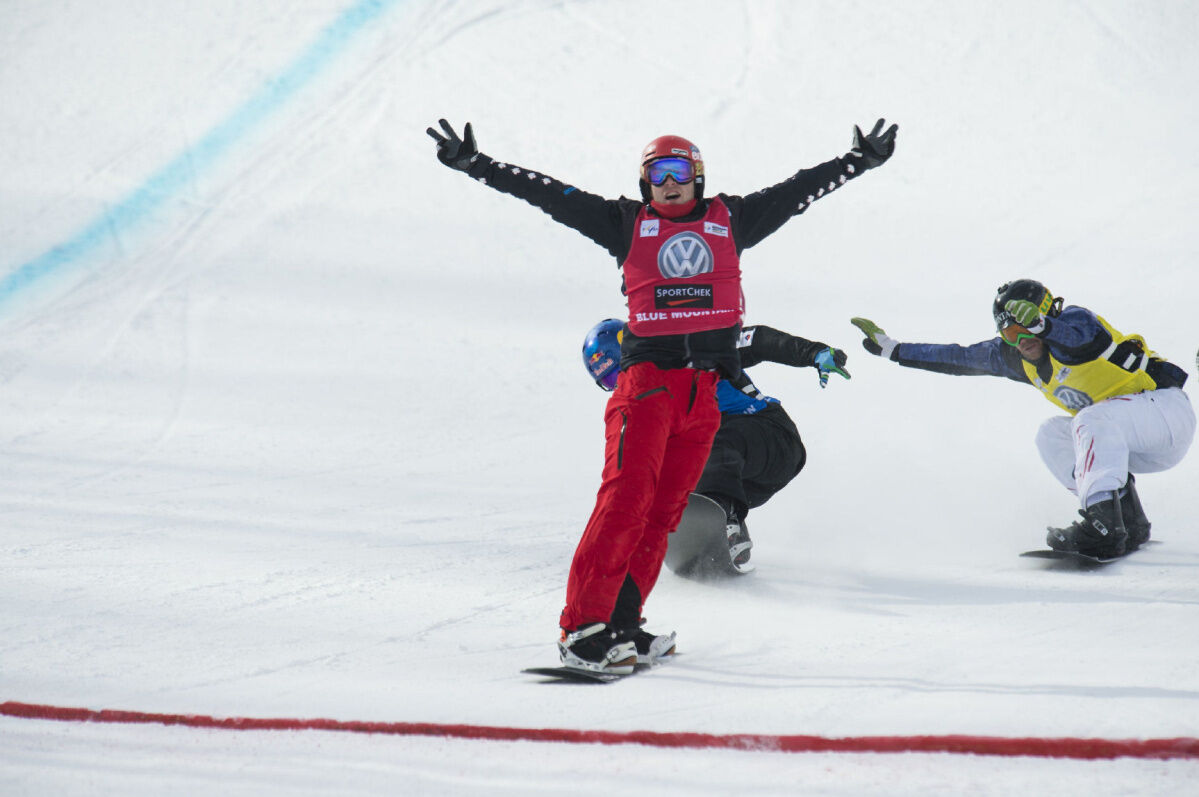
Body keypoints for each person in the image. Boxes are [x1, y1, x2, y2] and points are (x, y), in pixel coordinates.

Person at [428, 117, 898, 675]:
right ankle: (581, 631)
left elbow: (795, 193)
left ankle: (623, 625)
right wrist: (476, 165)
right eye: (656, 174)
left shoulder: (732, 219)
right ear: (645, 183)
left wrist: (856, 162)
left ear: (697, 179)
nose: (668, 183)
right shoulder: (625, 223)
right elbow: (549, 196)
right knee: (624, 504)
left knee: (663, 514)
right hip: (649, 385)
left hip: (703, 394)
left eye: (679, 172)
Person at [851, 279, 1193, 557]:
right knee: (1052, 434)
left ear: (1046, 317)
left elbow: (1082, 339)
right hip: (1129, 438)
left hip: (1164, 414)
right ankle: (1126, 519)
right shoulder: (1018, 358)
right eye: (1013, 335)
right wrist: (894, 350)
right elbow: (958, 357)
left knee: (1089, 419)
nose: (1024, 341)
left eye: (1029, 329)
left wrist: (1045, 327)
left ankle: (1103, 525)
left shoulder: (1076, 321)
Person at [583, 318, 848, 575]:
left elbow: (757, 340)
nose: (622, 384)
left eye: (621, 372)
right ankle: (725, 536)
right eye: (610, 382)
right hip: (743, 479)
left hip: (773, 439)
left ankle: (724, 517)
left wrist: (813, 353)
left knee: (708, 438)